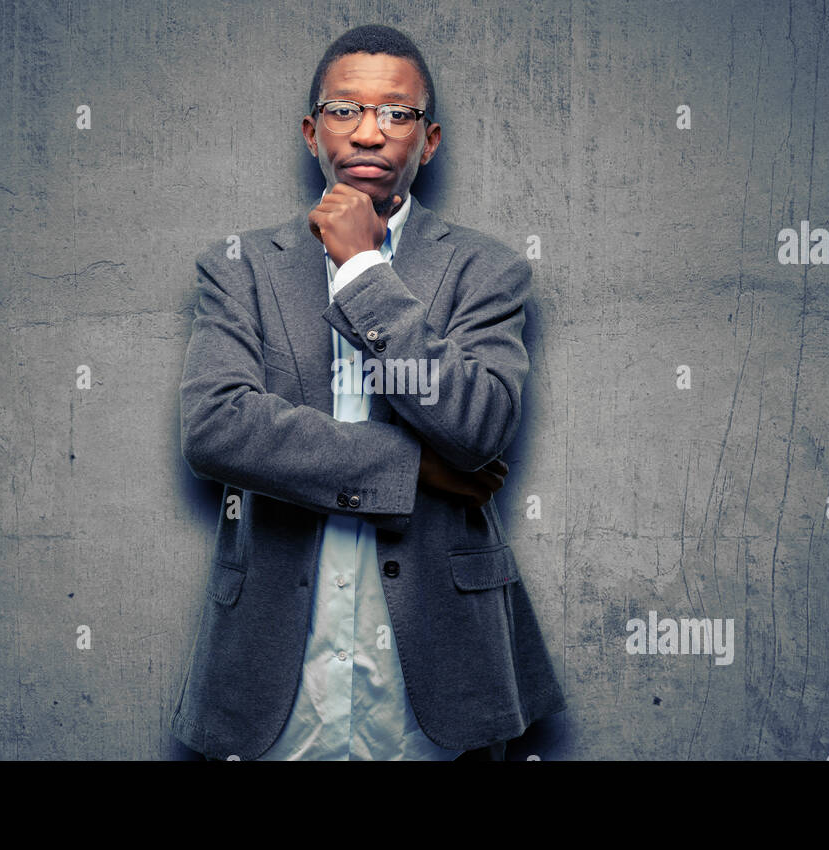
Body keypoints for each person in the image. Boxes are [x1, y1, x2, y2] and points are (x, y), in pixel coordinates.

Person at [172, 24, 565, 760]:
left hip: (438, 660)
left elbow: (479, 426)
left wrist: (360, 269)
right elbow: (215, 428)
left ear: (431, 140)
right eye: (345, 109)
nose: (371, 133)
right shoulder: (240, 268)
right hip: (278, 662)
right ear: (311, 131)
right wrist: (414, 468)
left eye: (397, 114)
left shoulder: (489, 270)